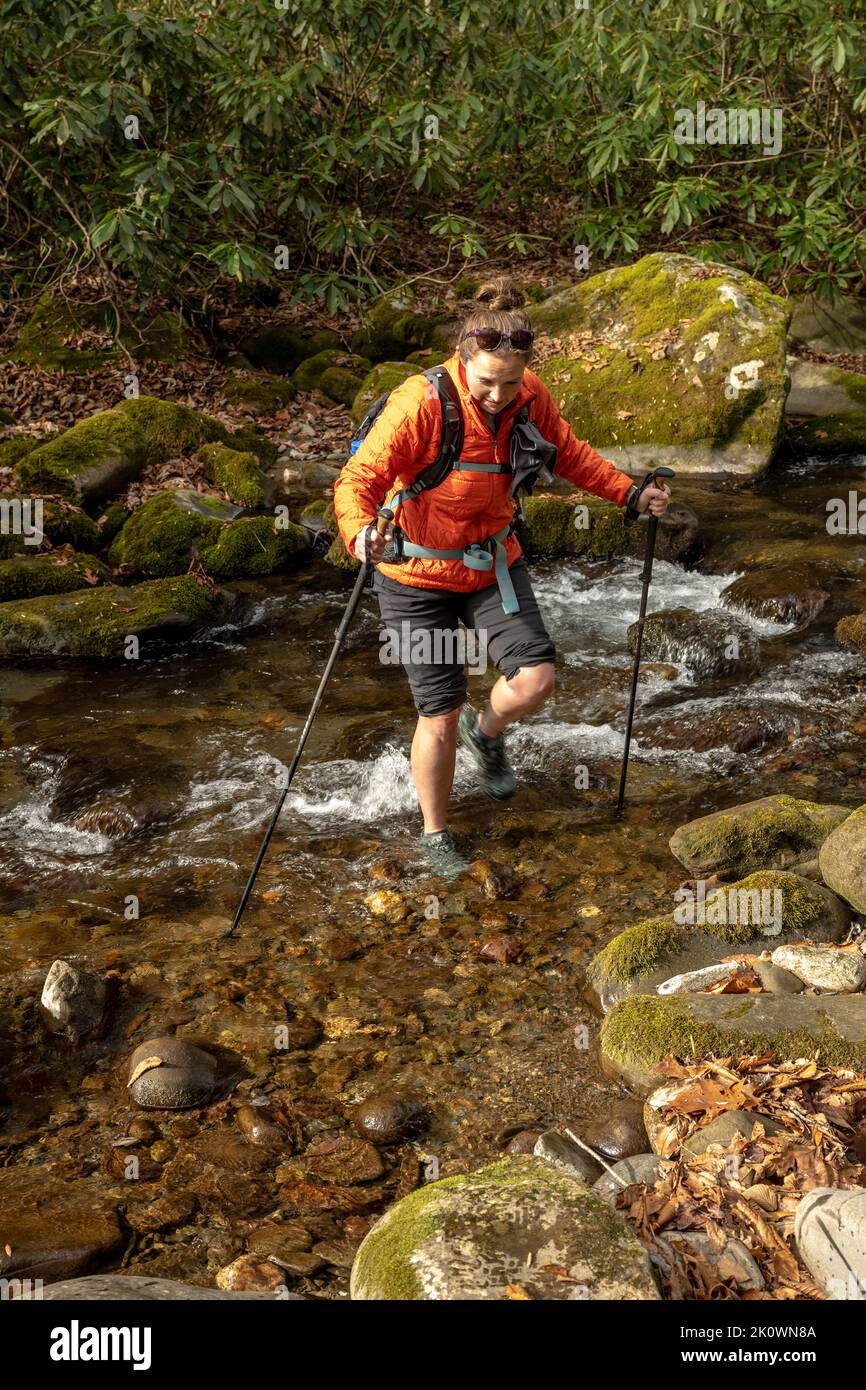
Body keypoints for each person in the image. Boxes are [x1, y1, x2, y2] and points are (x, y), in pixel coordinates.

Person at [333, 277, 670, 877]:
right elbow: (357, 479)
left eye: (509, 383)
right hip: (413, 573)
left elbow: (567, 452)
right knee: (437, 710)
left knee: (536, 679)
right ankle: (436, 833)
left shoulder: (529, 396)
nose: (497, 395)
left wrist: (630, 493)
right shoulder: (421, 404)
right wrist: (361, 532)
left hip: (492, 566)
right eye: (486, 382)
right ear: (464, 361)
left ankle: (486, 733)